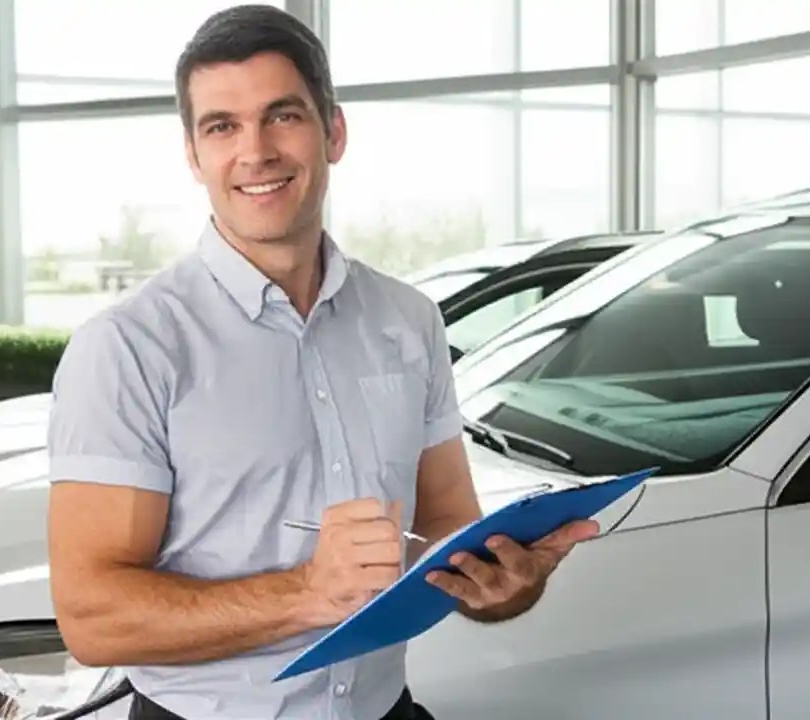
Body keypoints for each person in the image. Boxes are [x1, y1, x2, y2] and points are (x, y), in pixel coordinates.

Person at [44, 5, 599, 719]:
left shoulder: (407, 320)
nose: (256, 151)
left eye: (283, 116)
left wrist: (501, 583)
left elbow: (445, 527)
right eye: (222, 126)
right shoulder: (128, 347)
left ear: (332, 132)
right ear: (193, 154)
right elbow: (94, 619)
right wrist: (308, 593)